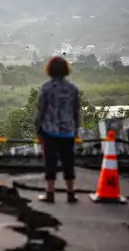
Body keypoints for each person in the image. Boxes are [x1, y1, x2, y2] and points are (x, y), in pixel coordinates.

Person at [34, 56, 80, 204]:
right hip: (68, 131)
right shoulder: (73, 89)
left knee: (50, 162)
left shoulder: (46, 88)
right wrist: (76, 129)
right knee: (68, 162)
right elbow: (76, 112)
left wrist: (38, 129)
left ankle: (50, 193)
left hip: (50, 130)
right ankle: (71, 193)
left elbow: (41, 111)